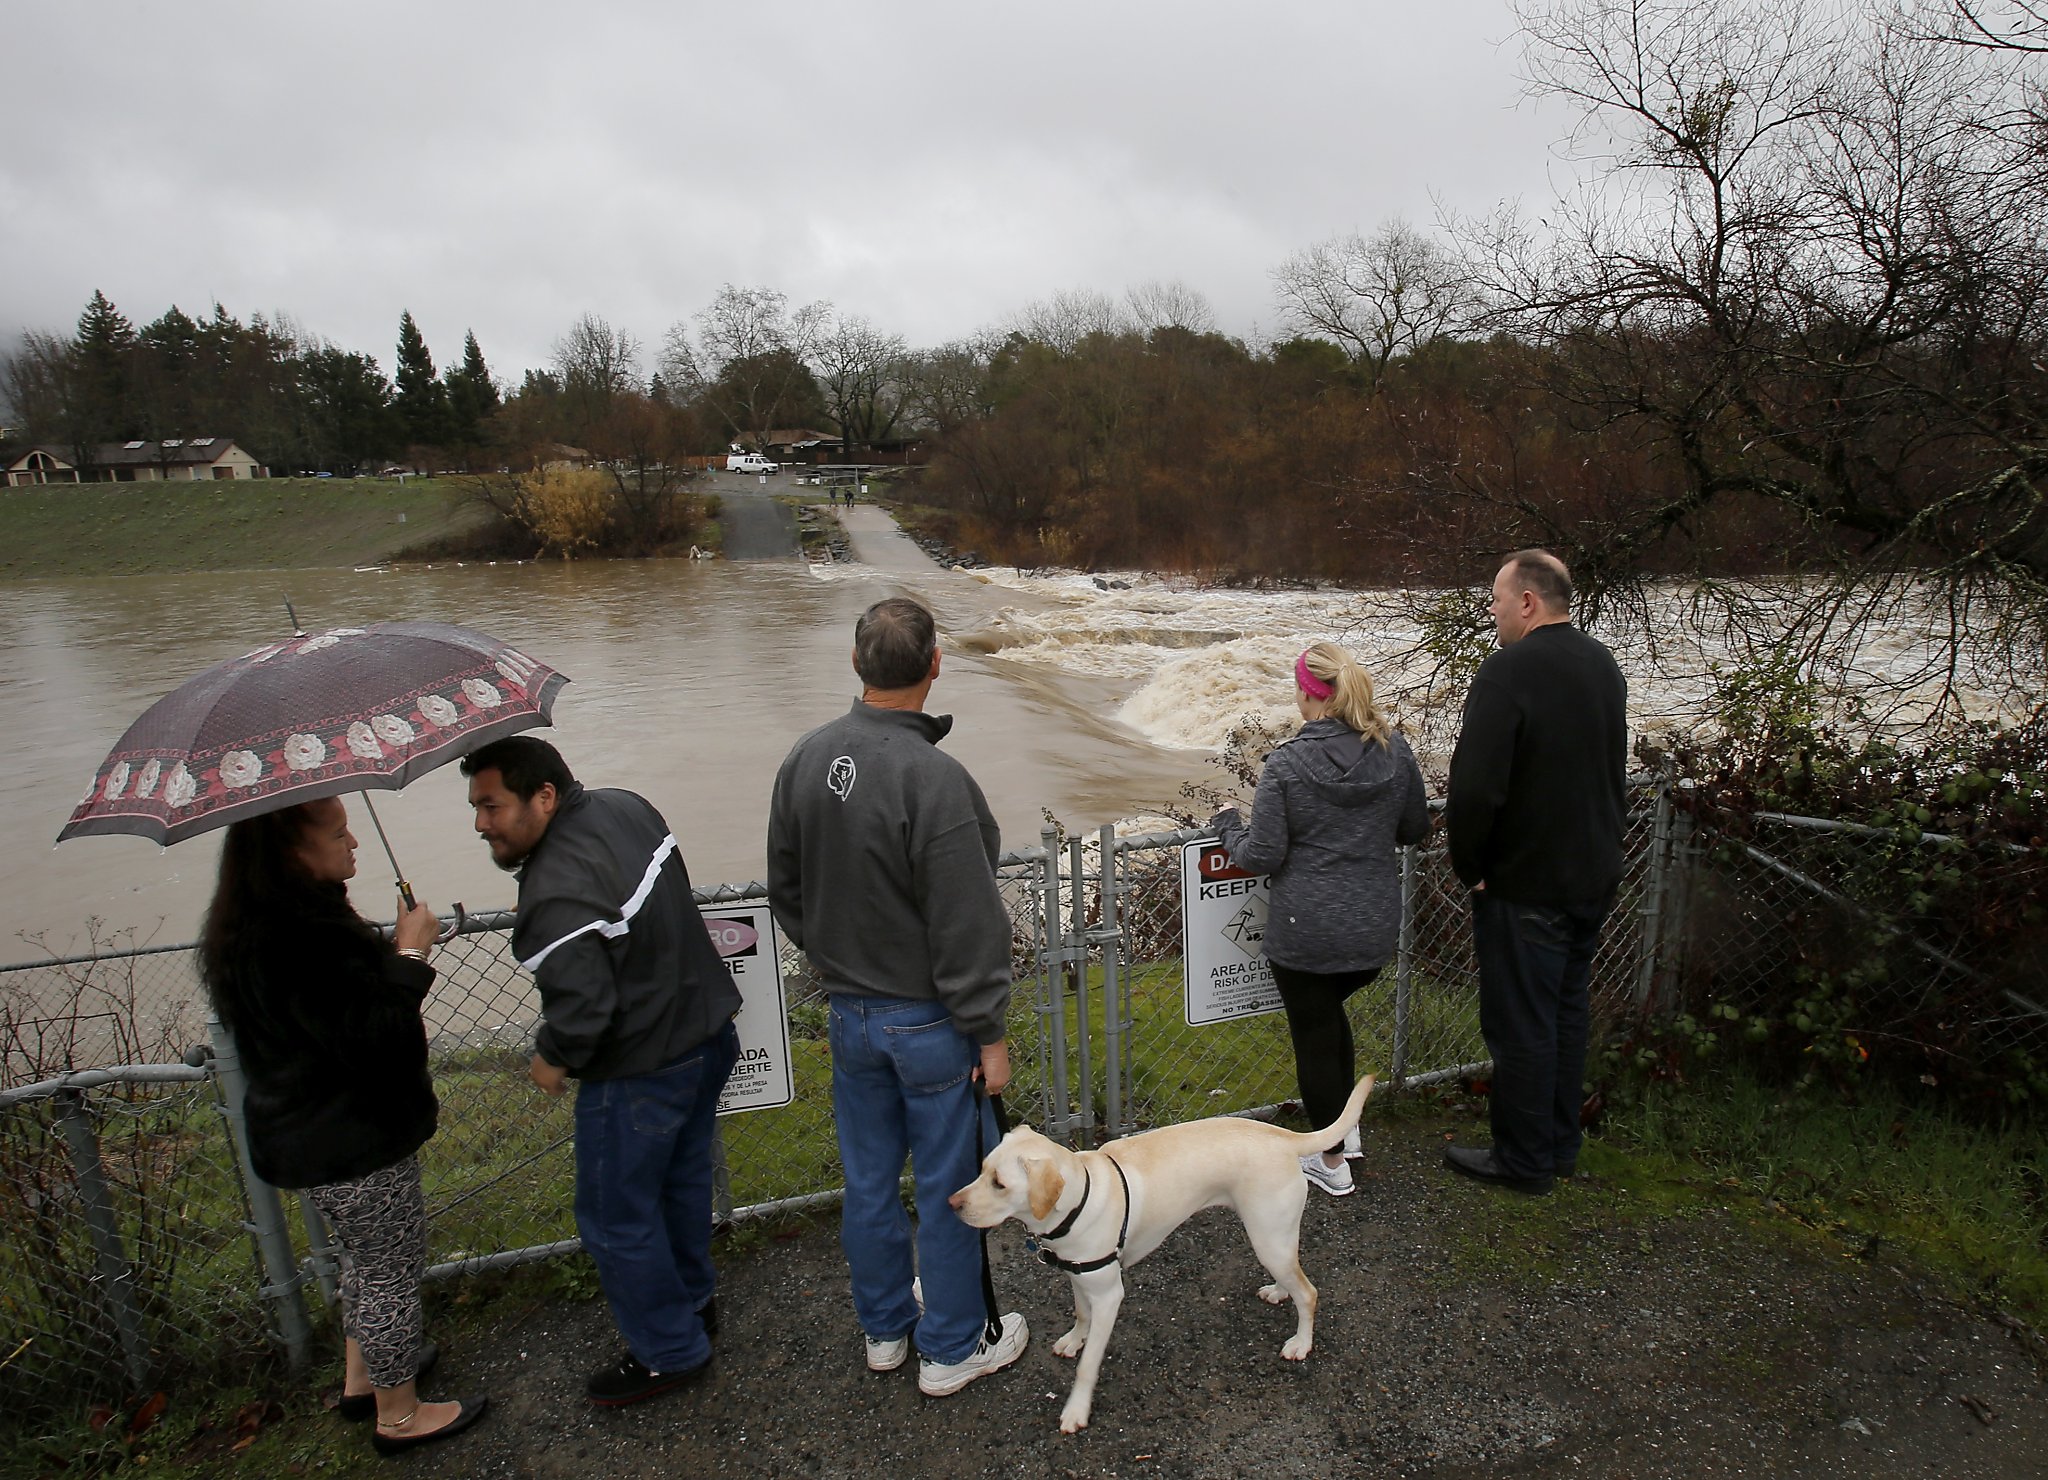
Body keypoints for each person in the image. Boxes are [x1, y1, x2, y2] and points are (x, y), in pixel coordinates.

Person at [766, 596, 1029, 1396]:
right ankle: (951, 1349)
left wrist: (840, 958)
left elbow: (787, 889)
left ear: (856, 664)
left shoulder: (806, 759)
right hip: (930, 1028)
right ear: (935, 665)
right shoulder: (936, 779)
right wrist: (988, 1033)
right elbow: (968, 922)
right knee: (956, 1186)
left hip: (850, 1017)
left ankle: (886, 1329)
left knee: (870, 1180)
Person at [197, 797, 487, 1458]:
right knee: (389, 1270)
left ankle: (364, 1380)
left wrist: (387, 955)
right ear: (290, 852)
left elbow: (329, 1025)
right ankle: (401, 1414)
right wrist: (410, 955)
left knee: (361, 1260)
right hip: (352, 1138)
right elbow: (372, 1034)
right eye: (336, 832)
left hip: (309, 1136)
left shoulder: (255, 927)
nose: (353, 842)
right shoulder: (303, 938)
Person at [460, 736, 741, 1406]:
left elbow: (585, 1010)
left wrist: (552, 1056)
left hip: (642, 1067)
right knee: (678, 1185)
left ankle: (669, 1352)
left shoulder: (555, 888)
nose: (480, 824)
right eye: (475, 807)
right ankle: (691, 1306)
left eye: (491, 806)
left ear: (544, 796)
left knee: (614, 1217)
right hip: (706, 1035)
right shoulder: (629, 808)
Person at [1210, 642, 1430, 1197]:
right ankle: (1345, 1132)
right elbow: (1413, 830)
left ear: (1309, 695)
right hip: (1372, 928)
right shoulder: (1394, 751)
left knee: (1313, 1034)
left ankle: (1329, 1163)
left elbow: (1261, 854)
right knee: (1328, 1019)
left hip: (1305, 930)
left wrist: (1227, 825)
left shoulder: (1287, 763)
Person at [1444, 549, 1629, 1195]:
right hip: (1593, 876)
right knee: (1565, 1016)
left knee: (1520, 1024)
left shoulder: (1508, 671)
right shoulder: (1603, 665)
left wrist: (1471, 867)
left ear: (1528, 601)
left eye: (1497, 598)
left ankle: (1522, 1162)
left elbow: (1474, 790)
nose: (1492, 610)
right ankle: (1557, 1147)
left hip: (1525, 885)